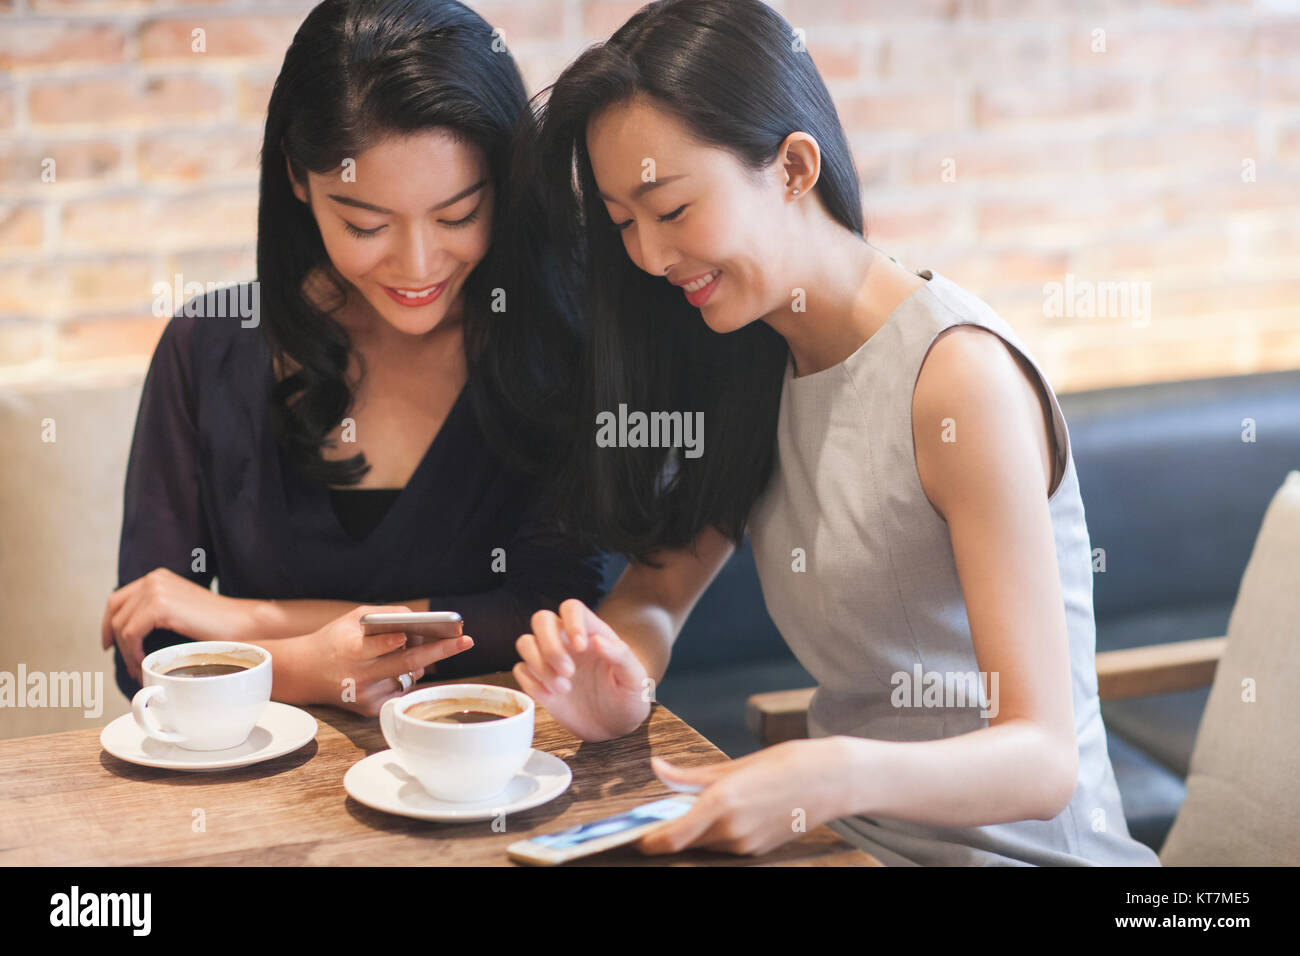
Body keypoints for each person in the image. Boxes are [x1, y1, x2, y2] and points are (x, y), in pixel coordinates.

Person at [513, 0, 1159, 865]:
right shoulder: (754, 350)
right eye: (624, 222)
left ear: (791, 167)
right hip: (845, 844)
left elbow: (1042, 759)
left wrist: (827, 773)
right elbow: (658, 593)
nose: (649, 258)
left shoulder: (955, 378)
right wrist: (619, 687)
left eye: (670, 210)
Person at [102, 0, 604, 717]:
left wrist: (257, 634)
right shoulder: (206, 347)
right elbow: (147, 642)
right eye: (366, 224)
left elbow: (552, 616)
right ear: (299, 181)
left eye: (458, 214)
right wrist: (305, 668)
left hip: (489, 779)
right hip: (255, 793)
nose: (419, 263)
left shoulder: (555, 342)